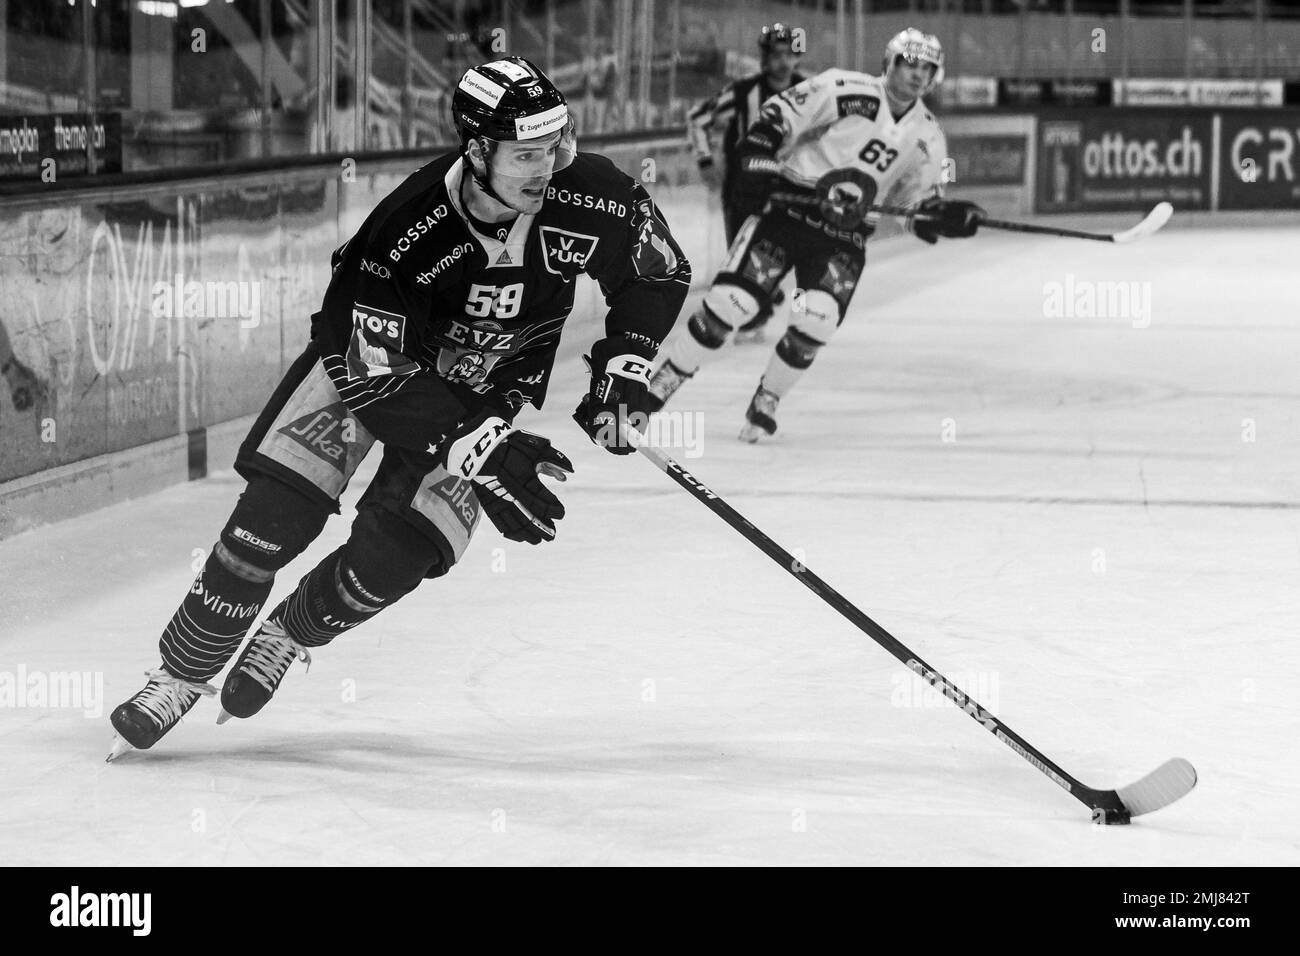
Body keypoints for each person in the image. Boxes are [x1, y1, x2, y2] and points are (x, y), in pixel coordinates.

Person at [108, 56, 690, 758]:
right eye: (528, 153)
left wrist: (624, 368)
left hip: (481, 389)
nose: (549, 166)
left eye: (556, 146)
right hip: (365, 375)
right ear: (477, 150)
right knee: (267, 527)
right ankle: (178, 676)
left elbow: (655, 269)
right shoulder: (407, 227)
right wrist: (480, 447)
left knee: (397, 560)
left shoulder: (586, 193)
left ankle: (290, 633)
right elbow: (370, 368)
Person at [648, 29, 983, 443]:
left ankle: (767, 398)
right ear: (891, 63)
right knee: (729, 305)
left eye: (926, 69)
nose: (916, 75)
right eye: (909, 64)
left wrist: (938, 216)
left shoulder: (929, 135)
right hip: (789, 214)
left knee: (817, 318)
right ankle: (664, 381)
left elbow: (915, 203)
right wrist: (760, 147)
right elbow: (783, 112)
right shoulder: (845, 86)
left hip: (843, 237)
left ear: (935, 76)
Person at [687, 22, 805, 343]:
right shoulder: (742, 91)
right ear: (765, 57)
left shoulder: (811, 92)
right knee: (741, 251)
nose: (783, 62)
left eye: (789, 55)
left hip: (792, 188)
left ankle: (764, 301)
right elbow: (698, 118)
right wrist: (705, 160)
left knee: (777, 250)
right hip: (744, 188)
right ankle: (758, 308)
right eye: (776, 54)